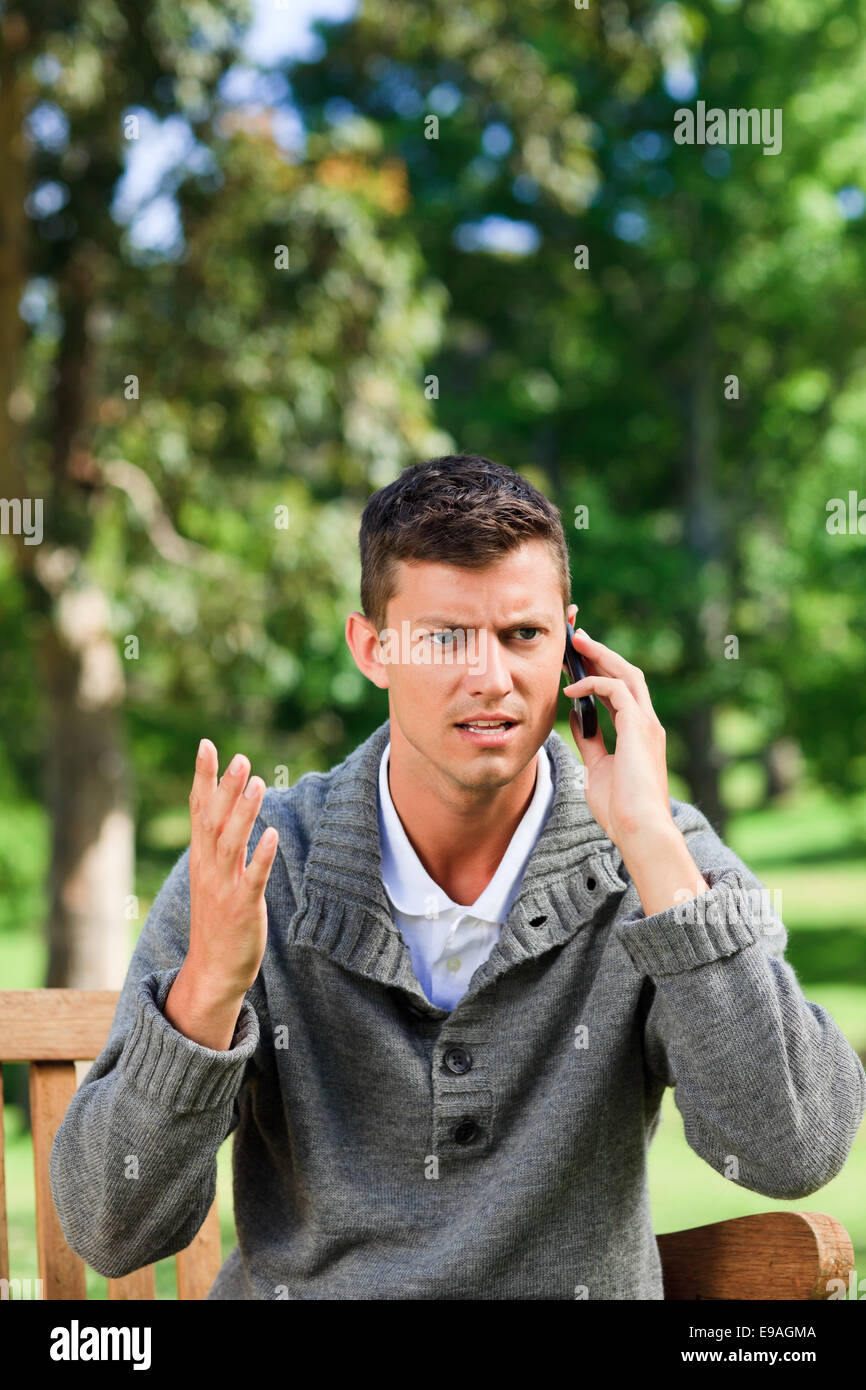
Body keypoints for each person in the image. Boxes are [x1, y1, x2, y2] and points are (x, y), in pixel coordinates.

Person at [50, 453, 866, 1300]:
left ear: (569, 643)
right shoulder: (257, 870)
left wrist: (652, 847)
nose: (492, 678)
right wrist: (208, 994)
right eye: (445, 637)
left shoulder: (661, 860)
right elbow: (112, 1230)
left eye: (523, 635)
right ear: (372, 649)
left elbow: (795, 1147)